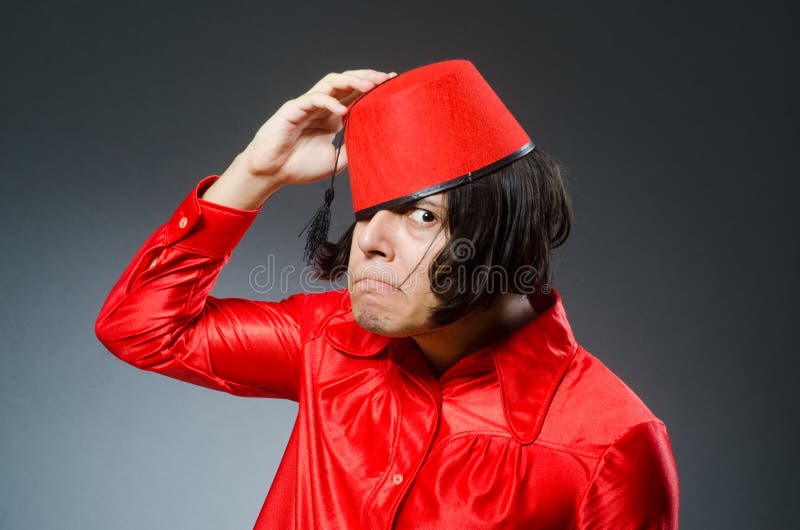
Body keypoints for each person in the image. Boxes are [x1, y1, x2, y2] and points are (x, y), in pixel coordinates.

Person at [95, 59, 679, 529]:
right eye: (367, 211)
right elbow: (141, 328)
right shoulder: (329, 341)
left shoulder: (611, 447)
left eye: (422, 215)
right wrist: (255, 174)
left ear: (506, 234)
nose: (369, 241)